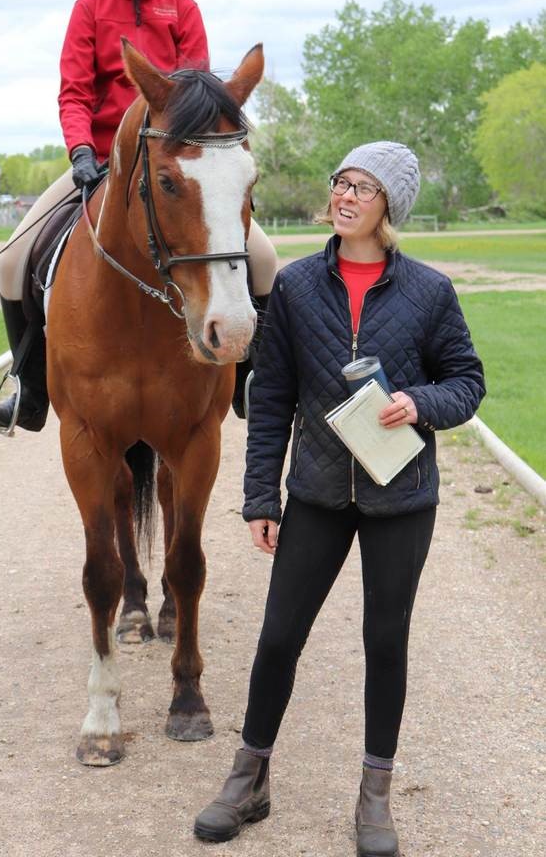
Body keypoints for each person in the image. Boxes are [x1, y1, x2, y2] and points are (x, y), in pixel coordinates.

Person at [193, 142, 486, 854]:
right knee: (279, 637)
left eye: (363, 187)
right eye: (340, 183)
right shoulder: (295, 287)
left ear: (389, 205)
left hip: (402, 498)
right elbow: (272, 400)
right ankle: (250, 775)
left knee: (385, 642)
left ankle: (375, 795)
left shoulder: (428, 291)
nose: (345, 196)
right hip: (319, 493)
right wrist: (261, 494)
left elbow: (468, 383)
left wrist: (418, 402)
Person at [0, 0, 277, 435]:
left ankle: (251, 378)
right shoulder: (90, 5)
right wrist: (81, 152)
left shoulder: (181, 7)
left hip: (171, 161)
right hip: (101, 160)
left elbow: (197, 93)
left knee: (263, 259)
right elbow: (74, 90)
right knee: (16, 258)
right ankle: (29, 387)